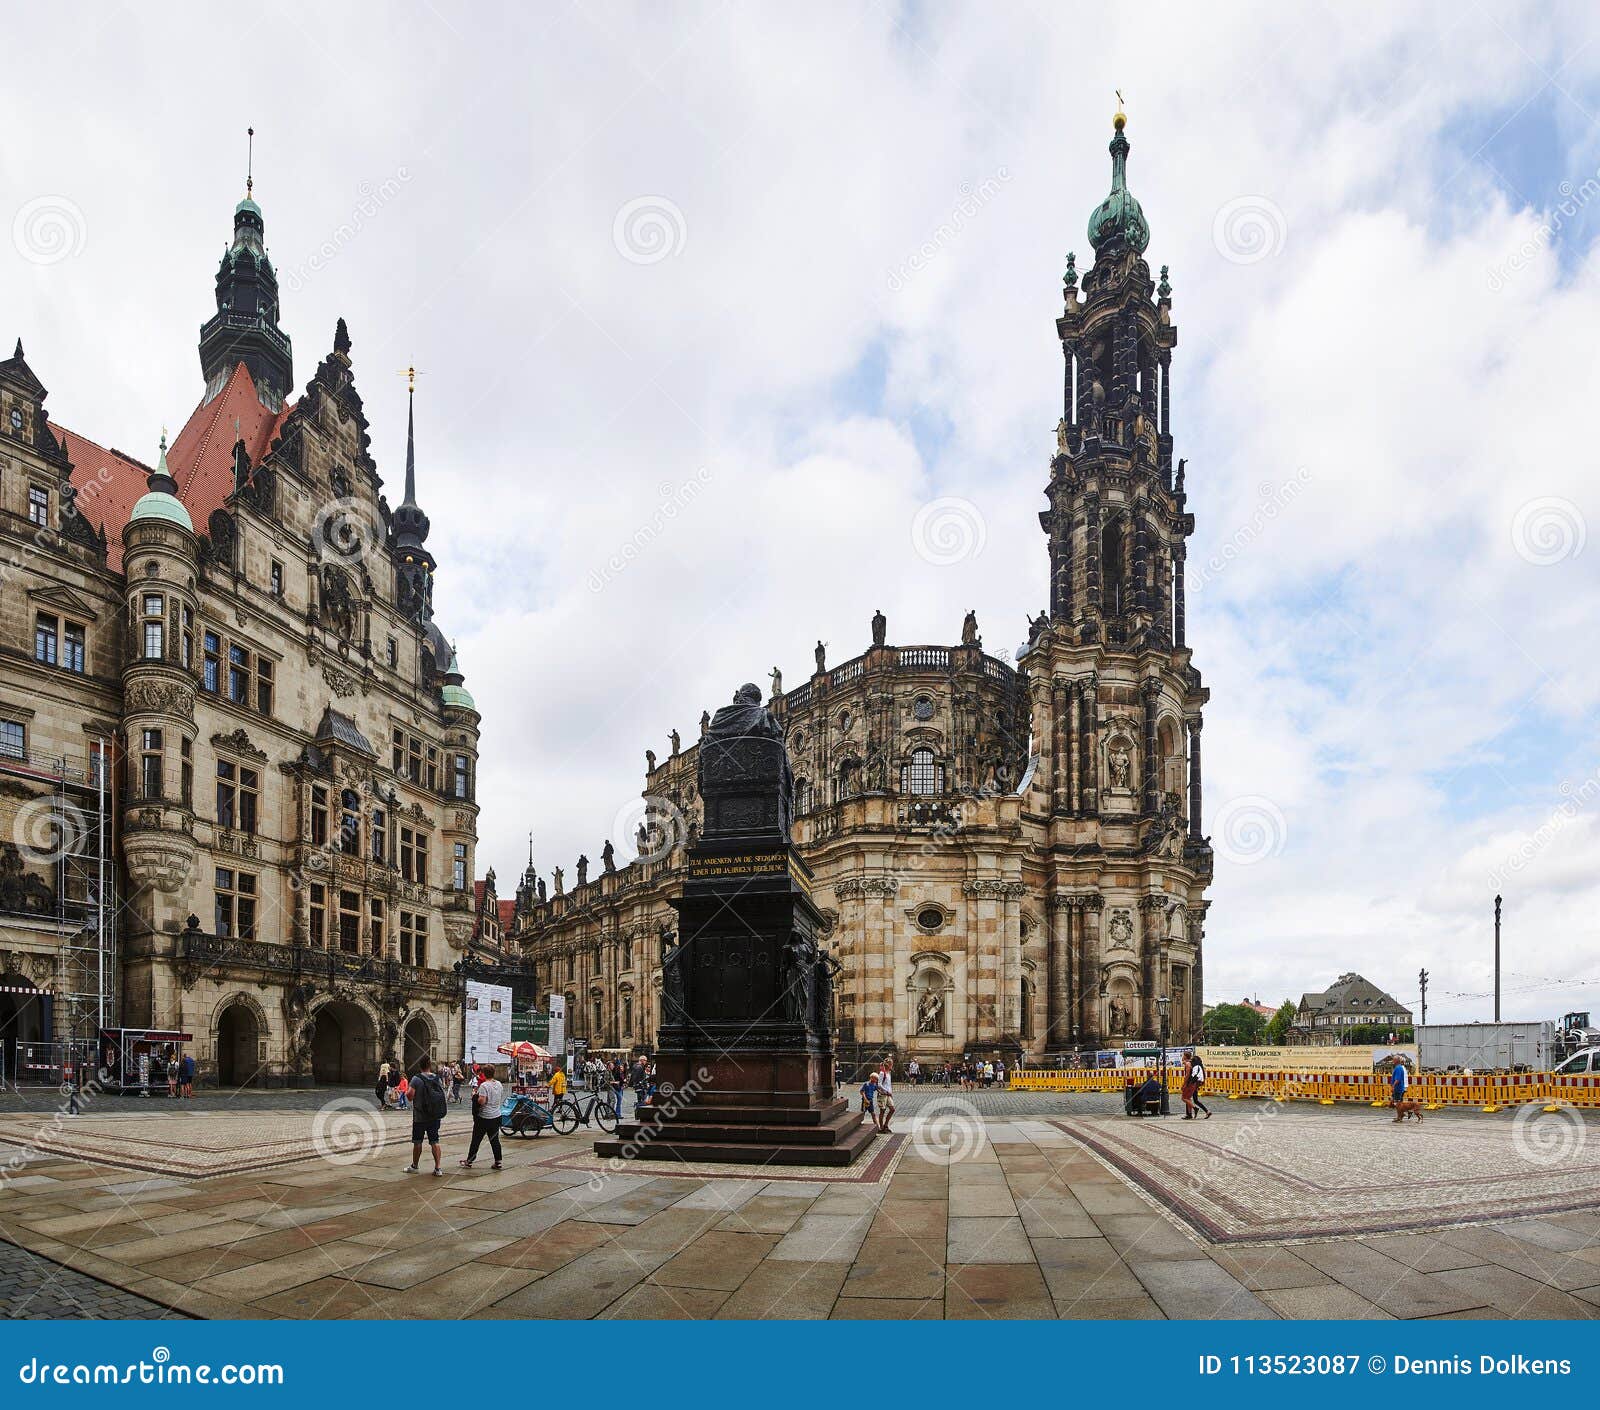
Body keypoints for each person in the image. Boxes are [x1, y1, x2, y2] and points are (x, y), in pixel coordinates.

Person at [406, 1057, 448, 1176]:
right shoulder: (436, 1078)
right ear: (430, 1066)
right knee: (435, 1141)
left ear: (420, 1066)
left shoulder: (416, 1079)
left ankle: (415, 1166)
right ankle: (438, 1168)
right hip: (434, 1115)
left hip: (420, 1116)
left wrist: (407, 1092)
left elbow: (410, 1096)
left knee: (417, 1142)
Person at [462, 1065, 505, 1169]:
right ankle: (498, 1161)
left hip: (484, 1117)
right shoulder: (499, 1084)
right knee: (495, 1140)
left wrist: (474, 1096)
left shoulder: (484, 1086)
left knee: (476, 1140)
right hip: (496, 1115)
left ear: (484, 1073)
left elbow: (482, 1101)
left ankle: (469, 1161)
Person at [875, 1059, 896, 1134]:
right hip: (883, 1095)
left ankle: (886, 1125)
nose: (892, 1066)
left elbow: (888, 1084)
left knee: (892, 1109)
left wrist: (890, 1092)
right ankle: (881, 1128)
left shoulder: (888, 1072)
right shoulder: (882, 1073)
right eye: (892, 1064)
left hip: (888, 1094)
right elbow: (879, 1084)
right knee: (882, 1111)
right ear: (889, 1065)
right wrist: (886, 1091)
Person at [1189, 1051, 1211, 1119]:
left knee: (1186, 1098)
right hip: (1197, 1084)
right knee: (1195, 1100)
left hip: (1194, 1084)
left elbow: (1194, 1075)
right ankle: (1207, 1111)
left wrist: (1189, 1083)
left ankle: (1191, 1112)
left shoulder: (1196, 1067)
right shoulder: (1200, 1067)